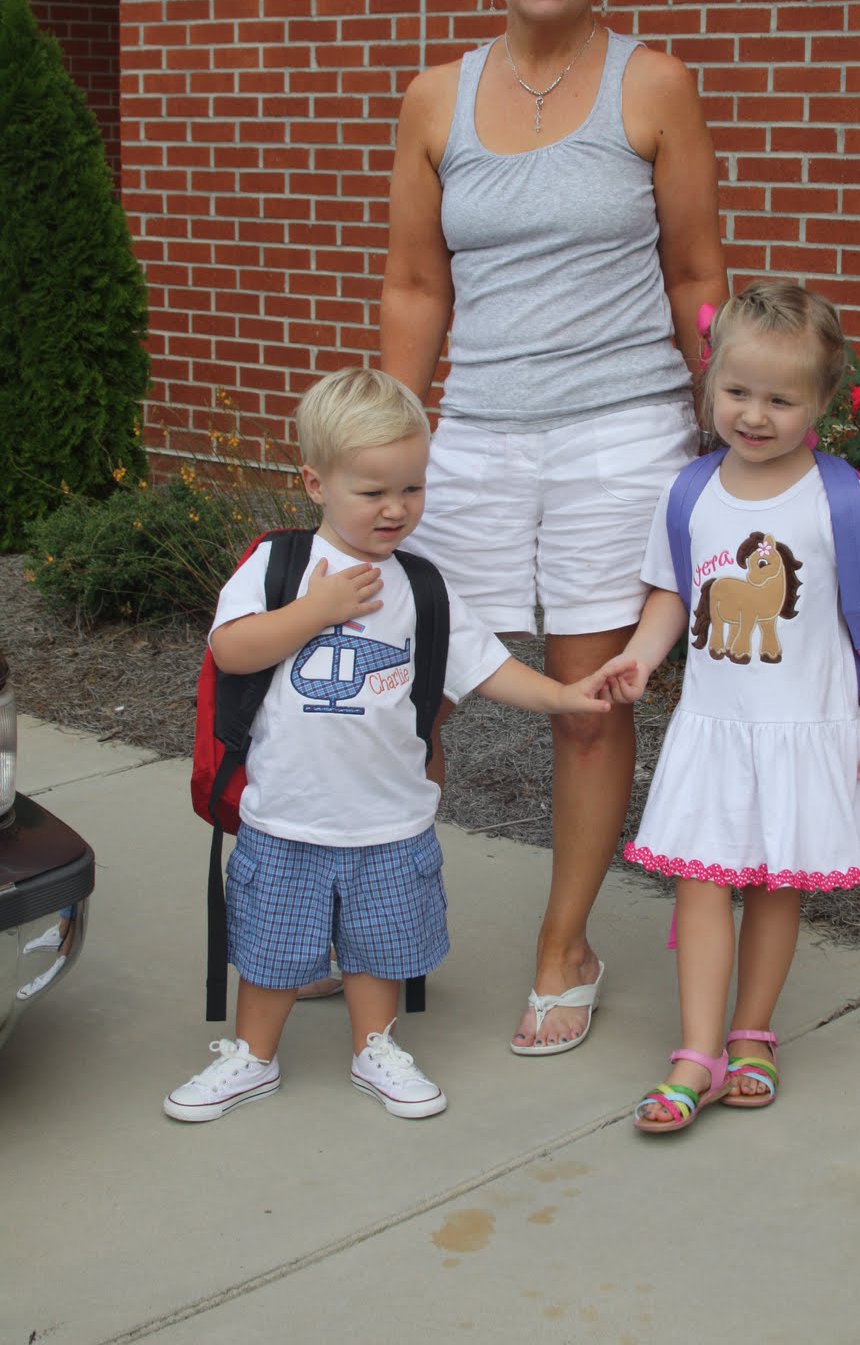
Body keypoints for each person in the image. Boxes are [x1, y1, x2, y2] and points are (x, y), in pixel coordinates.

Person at [380, 0, 728, 1055]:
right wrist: (394, 434)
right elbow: (418, 288)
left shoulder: (653, 84)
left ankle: (561, 942)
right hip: (471, 434)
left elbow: (694, 273)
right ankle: (372, 921)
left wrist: (725, 434)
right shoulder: (435, 96)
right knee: (404, 684)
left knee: (590, 699)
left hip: (618, 435)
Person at [163, 368, 633, 1124]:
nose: (394, 509)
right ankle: (251, 1057)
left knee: (379, 948)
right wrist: (315, 610)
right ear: (316, 483)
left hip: (388, 817)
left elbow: (486, 666)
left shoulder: (421, 587)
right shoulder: (279, 569)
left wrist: (561, 697)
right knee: (273, 949)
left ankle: (373, 1048)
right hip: (286, 812)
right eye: (372, 491)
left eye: (411, 490)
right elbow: (232, 650)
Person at [597, 281, 860, 1132]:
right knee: (701, 884)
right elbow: (672, 595)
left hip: (802, 732)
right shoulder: (691, 493)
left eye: (782, 399)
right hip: (713, 733)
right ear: (709, 383)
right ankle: (694, 1054)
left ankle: (751, 1036)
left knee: (777, 888)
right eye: (737, 392)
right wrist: (637, 657)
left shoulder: (837, 498)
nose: (755, 415)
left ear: (821, 402)